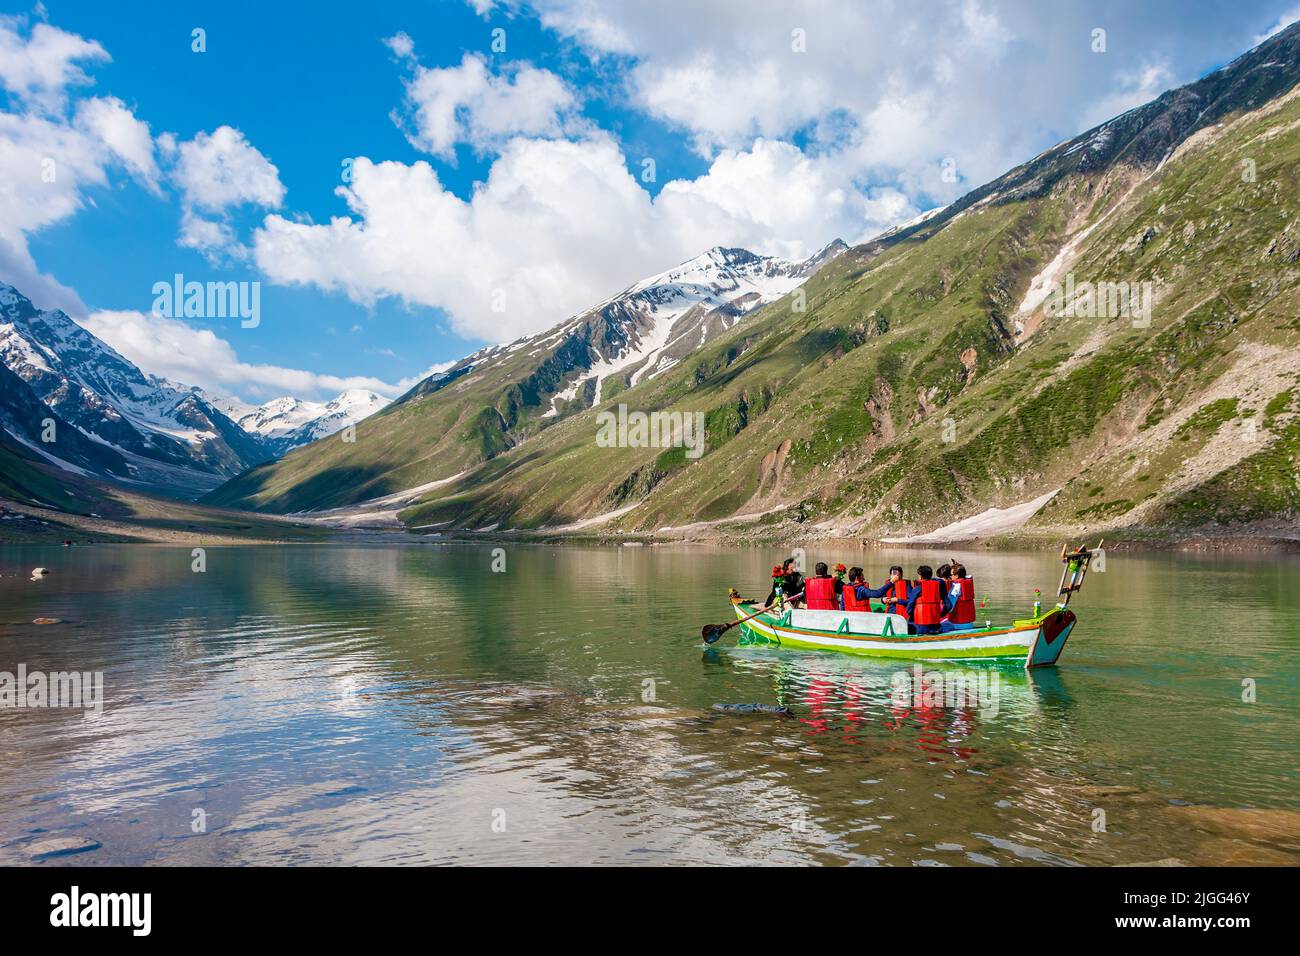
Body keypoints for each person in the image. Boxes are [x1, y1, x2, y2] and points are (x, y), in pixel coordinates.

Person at [906, 565, 953, 635]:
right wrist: (939, 615)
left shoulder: (916, 589)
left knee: (910, 624)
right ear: (930, 575)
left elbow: (909, 609)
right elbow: (949, 606)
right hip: (936, 627)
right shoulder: (938, 588)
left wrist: (916, 615)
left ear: (920, 577)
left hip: (921, 628)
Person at [941, 563, 977, 631]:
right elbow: (968, 576)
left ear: (957, 575)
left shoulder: (956, 587)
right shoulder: (967, 583)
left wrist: (938, 615)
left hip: (957, 625)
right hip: (969, 623)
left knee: (936, 625)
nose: (950, 577)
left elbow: (949, 608)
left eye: (951, 575)